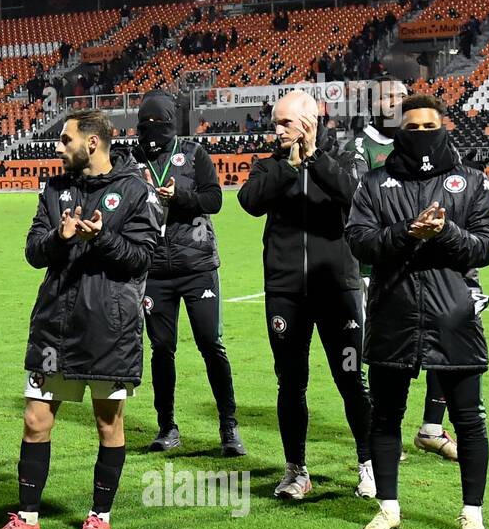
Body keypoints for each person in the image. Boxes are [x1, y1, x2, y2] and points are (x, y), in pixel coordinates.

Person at [0, 110, 161, 529]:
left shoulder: (134, 190)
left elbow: (141, 258)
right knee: (35, 419)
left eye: (66, 140)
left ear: (92, 144)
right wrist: (60, 238)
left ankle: (99, 518)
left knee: (108, 423)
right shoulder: (55, 189)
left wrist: (100, 238)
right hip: (55, 324)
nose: (59, 148)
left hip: (109, 326)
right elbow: (32, 251)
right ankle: (26, 517)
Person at [346, 94, 489, 529]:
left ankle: (473, 514)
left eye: (427, 125)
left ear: (443, 126)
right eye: (410, 128)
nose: (420, 134)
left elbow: (487, 246)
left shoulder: (469, 182)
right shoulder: (374, 183)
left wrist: (446, 232)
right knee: (386, 417)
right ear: (399, 132)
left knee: (469, 419)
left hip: (453, 314)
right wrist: (406, 233)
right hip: (393, 313)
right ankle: (388, 509)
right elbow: (359, 241)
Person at [238, 90, 371, 500]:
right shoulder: (270, 166)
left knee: (351, 381)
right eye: (275, 122)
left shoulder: (347, 158)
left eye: (284, 123)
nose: (275, 130)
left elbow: (357, 196)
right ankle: (296, 470)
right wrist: (292, 168)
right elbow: (250, 201)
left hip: (338, 291)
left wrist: (314, 159)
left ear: (311, 122)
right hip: (286, 293)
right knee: (290, 383)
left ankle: (369, 464)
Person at [345, 79, 459, 477]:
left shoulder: (434, 142)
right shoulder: (363, 146)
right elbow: (358, 199)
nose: (394, 103)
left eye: (399, 96)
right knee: (384, 356)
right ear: (375, 105)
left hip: (434, 267)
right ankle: (382, 436)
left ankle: (431, 426)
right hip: (378, 270)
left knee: (448, 342)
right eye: (386, 98)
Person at [132, 92, 244, 456]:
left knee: (211, 343)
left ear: (170, 122)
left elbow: (214, 199)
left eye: (158, 123)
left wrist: (179, 194)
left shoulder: (194, 154)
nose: (151, 131)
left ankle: (229, 427)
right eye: (144, 124)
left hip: (197, 266)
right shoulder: (133, 160)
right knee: (161, 348)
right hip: (154, 270)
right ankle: (167, 427)